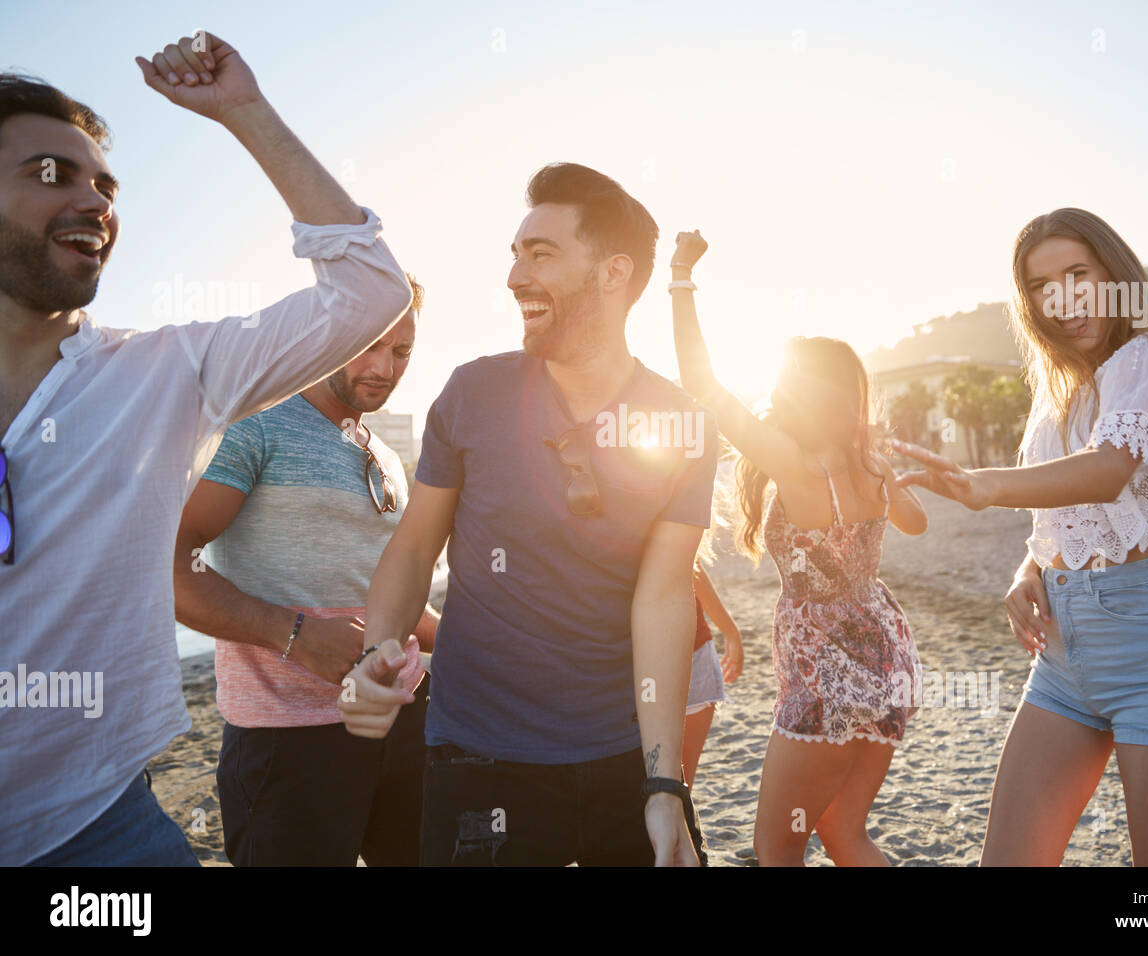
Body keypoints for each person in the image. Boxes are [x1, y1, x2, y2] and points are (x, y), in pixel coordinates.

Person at [0, 33, 413, 866]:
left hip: (95, 827)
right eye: (52, 175)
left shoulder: (164, 372)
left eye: (105, 185)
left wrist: (244, 112)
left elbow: (368, 291)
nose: (94, 203)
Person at [338, 163, 718, 866]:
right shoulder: (472, 393)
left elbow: (664, 595)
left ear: (612, 273)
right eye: (514, 254)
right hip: (477, 757)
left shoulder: (682, 425)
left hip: (621, 753)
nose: (515, 276)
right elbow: (416, 549)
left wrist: (664, 782)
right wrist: (373, 656)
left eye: (540, 254)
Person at [893, 207, 1148, 866]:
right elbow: (1066, 518)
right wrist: (1030, 568)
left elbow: (1109, 472)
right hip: (1060, 662)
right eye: (1042, 287)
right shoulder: (1058, 394)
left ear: (1113, 273)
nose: (1064, 298)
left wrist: (983, 486)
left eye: (1078, 273)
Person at [668, 229, 929, 866]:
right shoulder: (869, 462)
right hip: (887, 656)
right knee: (846, 835)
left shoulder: (792, 462)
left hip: (826, 672)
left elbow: (703, 385)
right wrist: (885, 472)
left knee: (776, 850)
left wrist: (680, 276)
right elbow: (916, 523)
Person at [173, 275, 437, 866]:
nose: (385, 367)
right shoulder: (253, 423)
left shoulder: (388, 456)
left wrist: (480, 642)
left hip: (403, 716)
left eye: (401, 351)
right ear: (329, 334)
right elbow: (167, 564)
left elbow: (383, 592)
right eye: (370, 344)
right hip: (287, 741)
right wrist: (292, 635)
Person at [683, 558, 743, 787]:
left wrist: (730, 631)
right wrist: (730, 632)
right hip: (627, 669)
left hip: (692, 658)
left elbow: (690, 563)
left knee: (678, 789)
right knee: (674, 791)